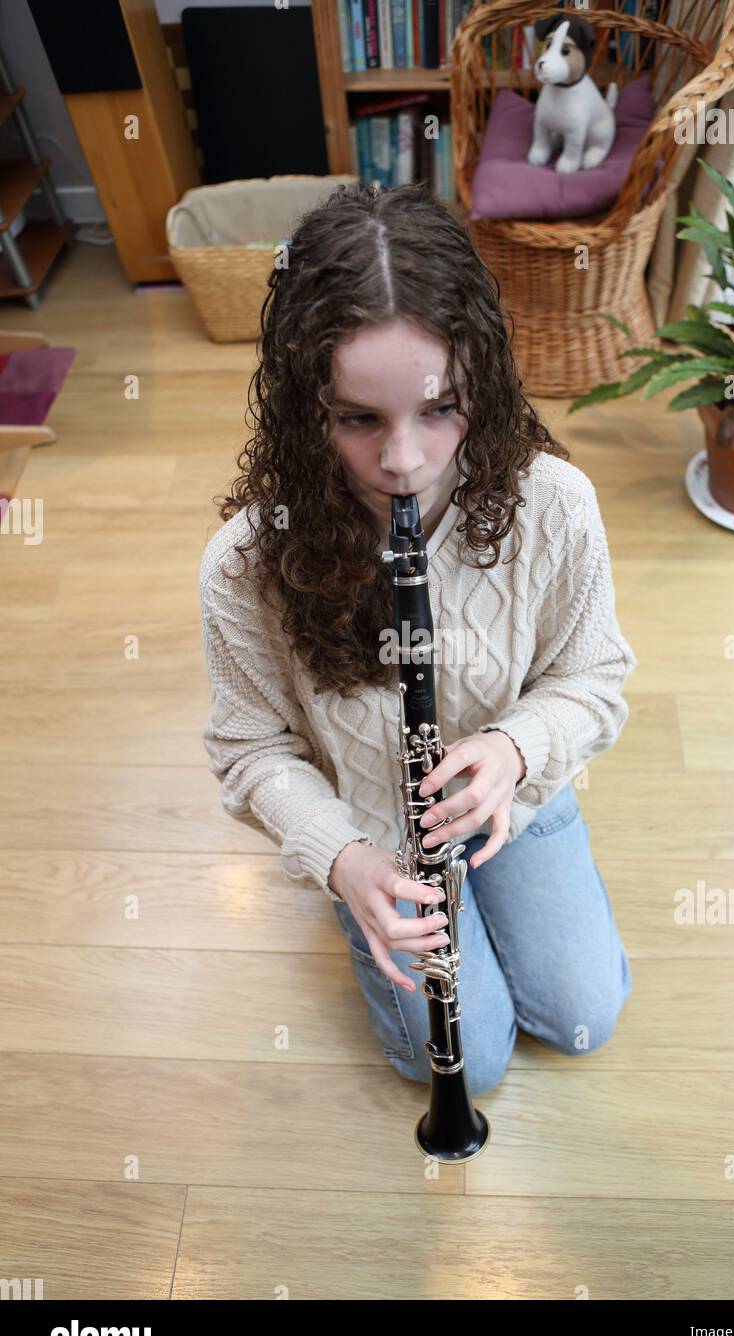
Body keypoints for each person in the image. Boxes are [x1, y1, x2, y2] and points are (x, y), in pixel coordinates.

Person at [199, 182, 637, 1097]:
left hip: (511, 799)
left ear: (484, 378)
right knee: (470, 1068)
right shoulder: (244, 564)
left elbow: (594, 677)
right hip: (373, 831)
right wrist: (341, 857)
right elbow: (250, 750)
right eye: (358, 419)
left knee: (583, 1015)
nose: (404, 460)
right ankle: (358, 901)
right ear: (301, 405)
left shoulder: (555, 504)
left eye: (441, 408)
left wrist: (518, 750)